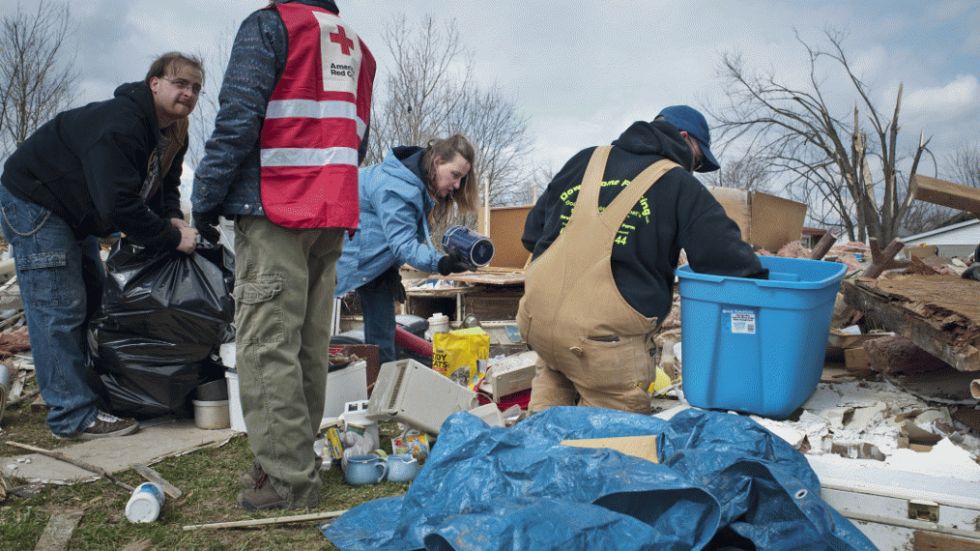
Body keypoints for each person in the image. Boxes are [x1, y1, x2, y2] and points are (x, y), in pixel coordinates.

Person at [191, 0, 375, 511]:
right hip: (330, 208)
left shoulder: (272, 25)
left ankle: (287, 480)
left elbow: (238, 118)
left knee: (267, 345)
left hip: (275, 203)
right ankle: (290, 458)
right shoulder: (357, 47)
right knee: (307, 346)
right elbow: (357, 137)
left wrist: (204, 197)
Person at [0, 52, 203, 440]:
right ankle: (71, 416)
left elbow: (166, 186)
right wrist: (172, 237)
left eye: (195, 87)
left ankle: (90, 397)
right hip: (36, 203)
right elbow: (120, 206)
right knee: (58, 308)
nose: (189, 93)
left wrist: (173, 215)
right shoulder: (122, 126)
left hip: (77, 213)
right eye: (180, 83)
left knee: (95, 300)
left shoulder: (174, 130)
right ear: (154, 83)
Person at [519, 105, 768, 414]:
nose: (694, 167)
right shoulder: (678, 184)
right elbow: (726, 259)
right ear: (685, 139)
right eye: (698, 159)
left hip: (538, 325)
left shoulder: (584, 160)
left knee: (543, 427)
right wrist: (764, 283)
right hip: (603, 347)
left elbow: (531, 236)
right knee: (608, 448)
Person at [335, 134, 478, 365]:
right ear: (437, 161)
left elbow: (383, 234)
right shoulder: (397, 188)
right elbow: (403, 244)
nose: (458, 185)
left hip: (371, 265)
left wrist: (390, 269)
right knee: (372, 346)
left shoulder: (414, 184)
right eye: (455, 175)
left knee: (383, 339)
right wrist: (441, 263)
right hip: (339, 258)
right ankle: (377, 394)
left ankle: (385, 392)